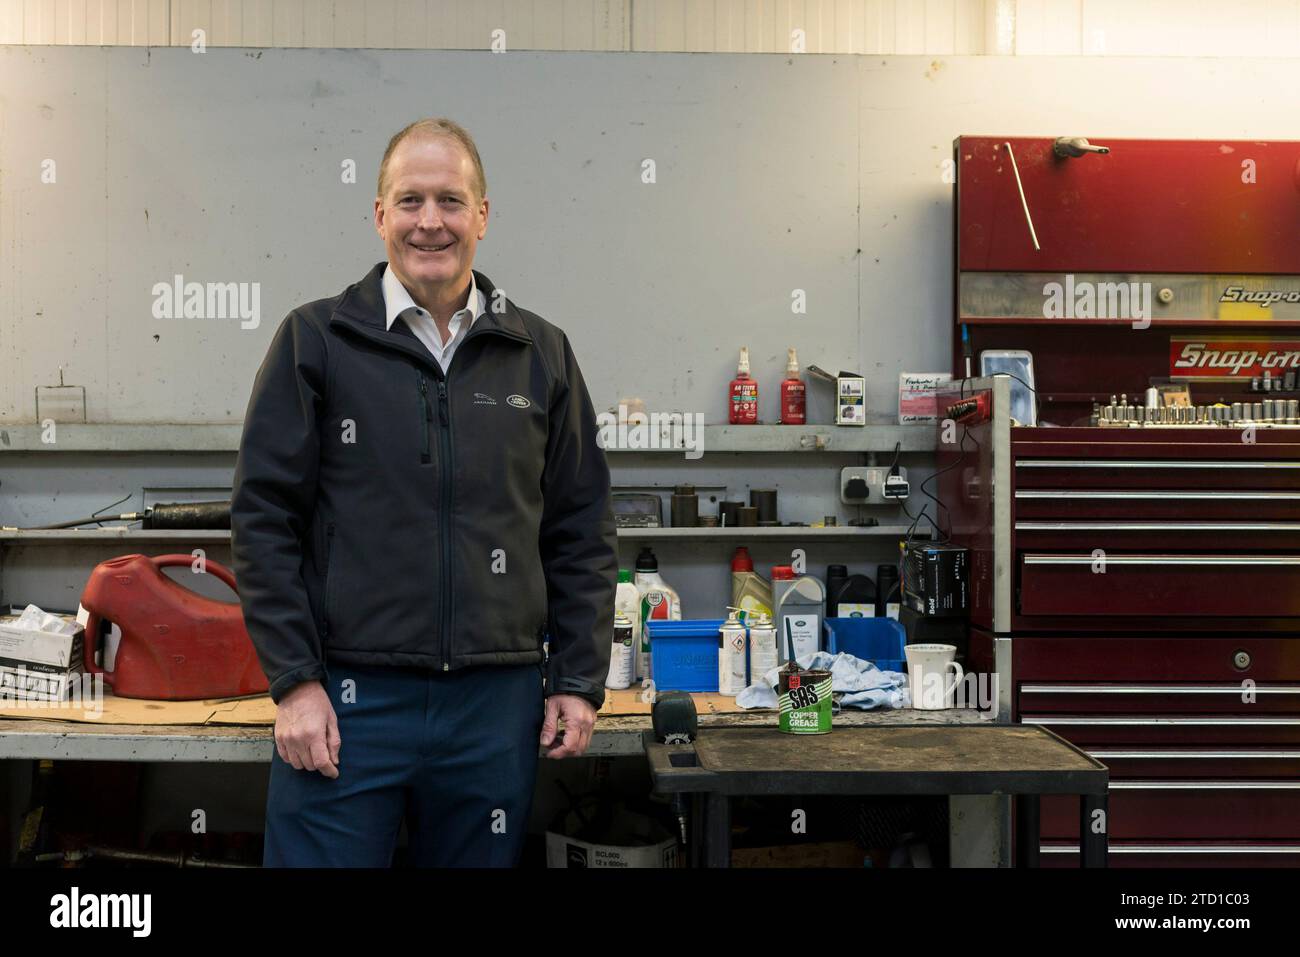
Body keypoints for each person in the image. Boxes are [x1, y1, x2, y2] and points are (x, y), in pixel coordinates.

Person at [230, 117, 617, 867]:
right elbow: (263, 520)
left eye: (449, 200)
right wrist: (296, 682)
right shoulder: (315, 342)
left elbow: (580, 525)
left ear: (482, 214)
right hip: (347, 700)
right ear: (379, 215)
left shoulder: (540, 353)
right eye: (410, 201)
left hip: (495, 704)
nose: (429, 221)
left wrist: (575, 677)